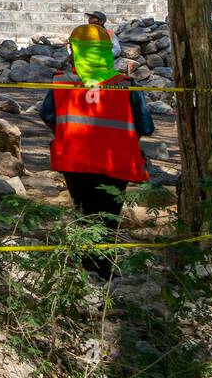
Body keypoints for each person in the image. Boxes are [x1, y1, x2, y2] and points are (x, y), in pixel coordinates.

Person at [39, 24, 155, 278]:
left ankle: (84, 272)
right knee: (108, 218)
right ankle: (104, 273)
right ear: (106, 51)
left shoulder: (61, 82)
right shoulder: (125, 85)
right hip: (115, 166)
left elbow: (47, 114)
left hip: (75, 162)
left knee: (83, 213)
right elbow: (146, 126)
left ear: (76, 50)